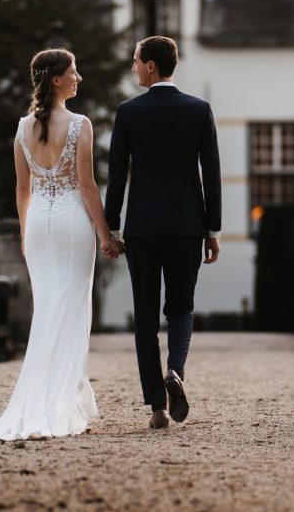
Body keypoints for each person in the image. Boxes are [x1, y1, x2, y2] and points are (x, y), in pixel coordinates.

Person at [0, 48, 123, 442]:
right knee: (71, 310)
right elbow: (86, 185)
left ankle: (54, 399)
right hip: (71, 223)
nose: (79, 77)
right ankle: (59, 403)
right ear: (58, 79)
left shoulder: (21, 128)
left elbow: (22, 189)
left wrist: (25, 233)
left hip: (39, 229)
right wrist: (106, 235)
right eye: (74, 72)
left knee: (47, 310)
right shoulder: (80, 124)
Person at [104, 36, 222, 429]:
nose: (134, 67)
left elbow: (117, 176)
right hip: (187, 226)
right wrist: (212, 229)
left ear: (151, 65)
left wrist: (112, 228)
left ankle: (157, 407)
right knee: (182, 308)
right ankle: (175, 371)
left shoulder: (129, 113)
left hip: (142, 229)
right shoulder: (199, 110)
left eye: (137, 61)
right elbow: (212, 174)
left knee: (145, 318)